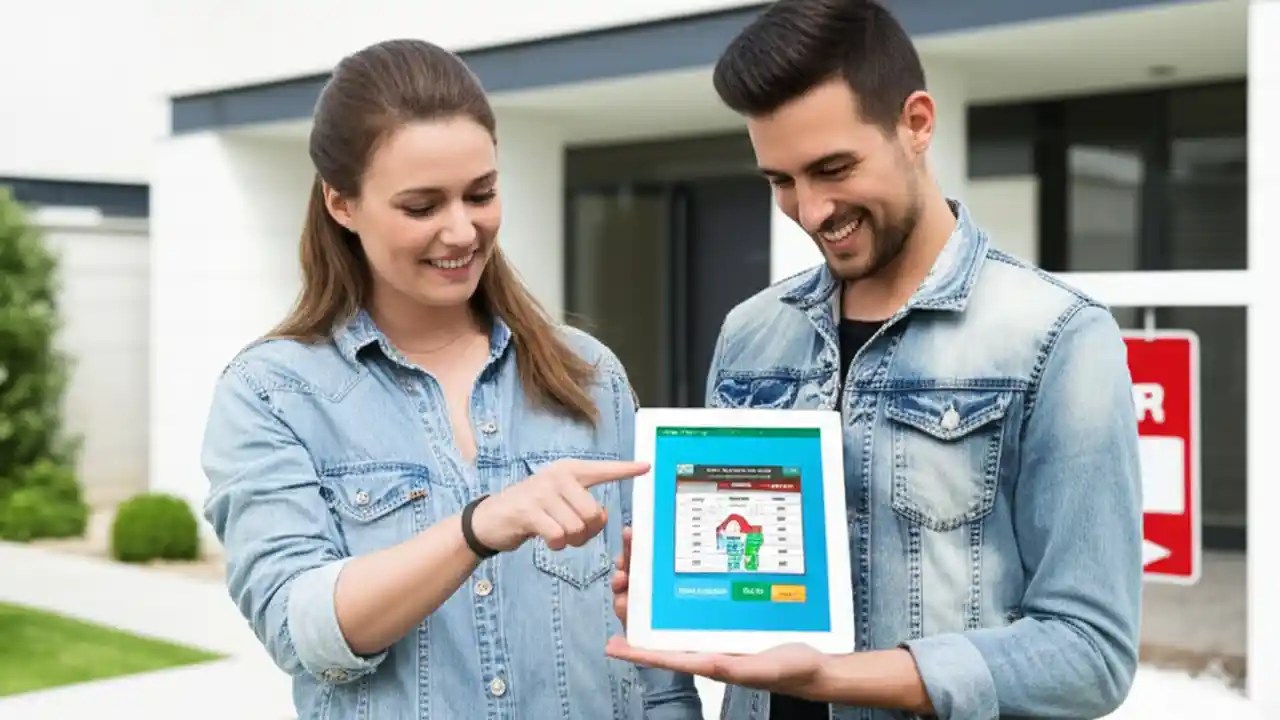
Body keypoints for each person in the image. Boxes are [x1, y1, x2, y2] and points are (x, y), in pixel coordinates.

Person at [605, 1, 1144, 718]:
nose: (811, 209)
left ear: (916, 123)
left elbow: (1090, 653)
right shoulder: (751, 334)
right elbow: (718, 609)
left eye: (834, 168)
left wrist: (839, 677)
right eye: (781, 180)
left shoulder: (1056, 337)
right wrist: (671, 591)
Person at [199, 39, 702, 720]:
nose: (462, 230)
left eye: (481, 194)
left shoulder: (588, 375)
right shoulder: (272, 394)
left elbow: (653, 646)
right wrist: (478, 527)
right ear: (342, 203)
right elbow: (303, 629)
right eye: (421, 206)